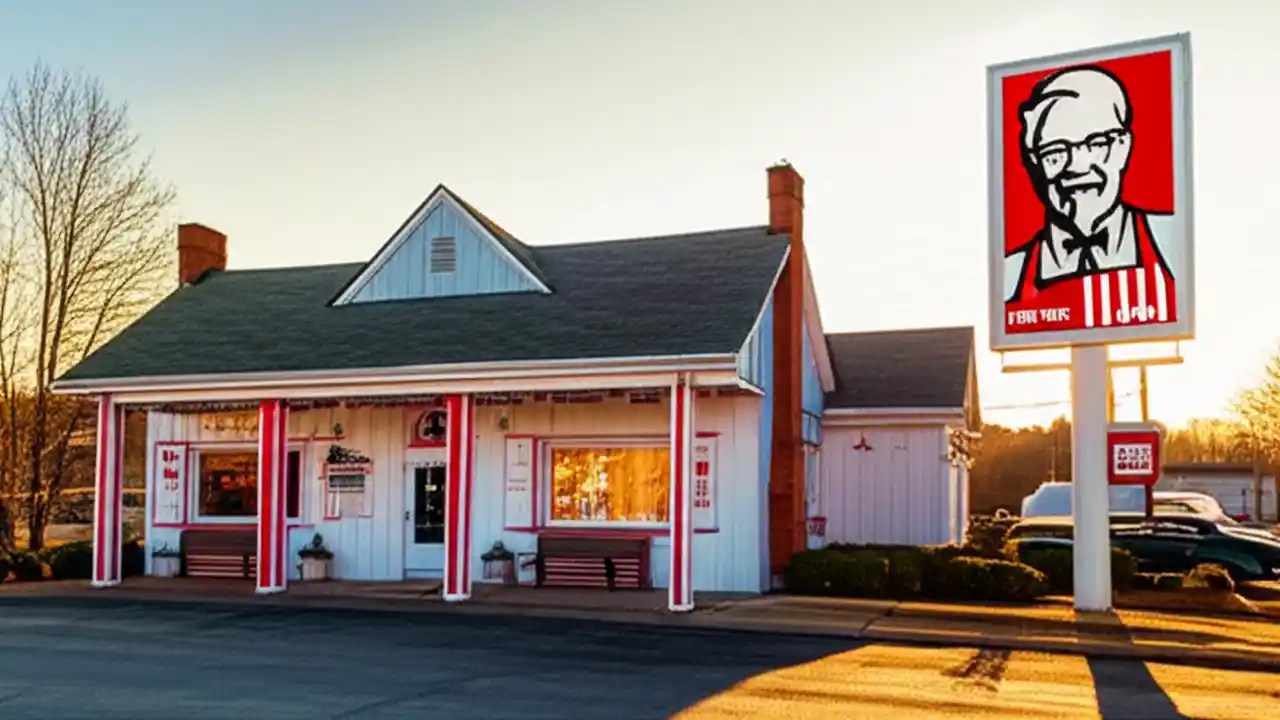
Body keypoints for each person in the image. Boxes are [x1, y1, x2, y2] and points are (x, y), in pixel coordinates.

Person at [1003, 66, 1176, 332]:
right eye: (1055, 151)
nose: (1078, 166)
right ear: (1034, 162)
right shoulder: (1009, 276)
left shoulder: (1170, 243)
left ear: (1123, 147)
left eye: (1096, 144)